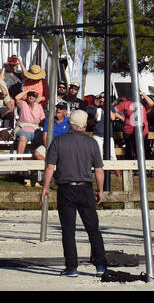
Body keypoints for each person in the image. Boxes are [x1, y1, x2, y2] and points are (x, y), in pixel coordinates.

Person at [41, 109, 108, 277]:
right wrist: (100, 190)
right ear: (85, 125)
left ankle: (71, 267)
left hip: (66, 188)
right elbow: (99, 170)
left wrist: (45, 187)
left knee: (68, 230)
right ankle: (100, 266)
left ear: (70, 123)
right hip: (85, 188)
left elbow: (49, 167)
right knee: (93, 229)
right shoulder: (92, 143)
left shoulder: (58, 141)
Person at [15, 90, 46, 155]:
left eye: (33, 95)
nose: (31, 97)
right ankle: (19, 159)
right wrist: (28, 90)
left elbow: (43, 120)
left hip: (36, 130)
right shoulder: (23, 104)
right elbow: (16, 98)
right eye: (29, 95)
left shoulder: (39, 107)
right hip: (23, 129)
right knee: (23, 137)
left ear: (36, 98)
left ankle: (43, 157)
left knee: (45, 137)